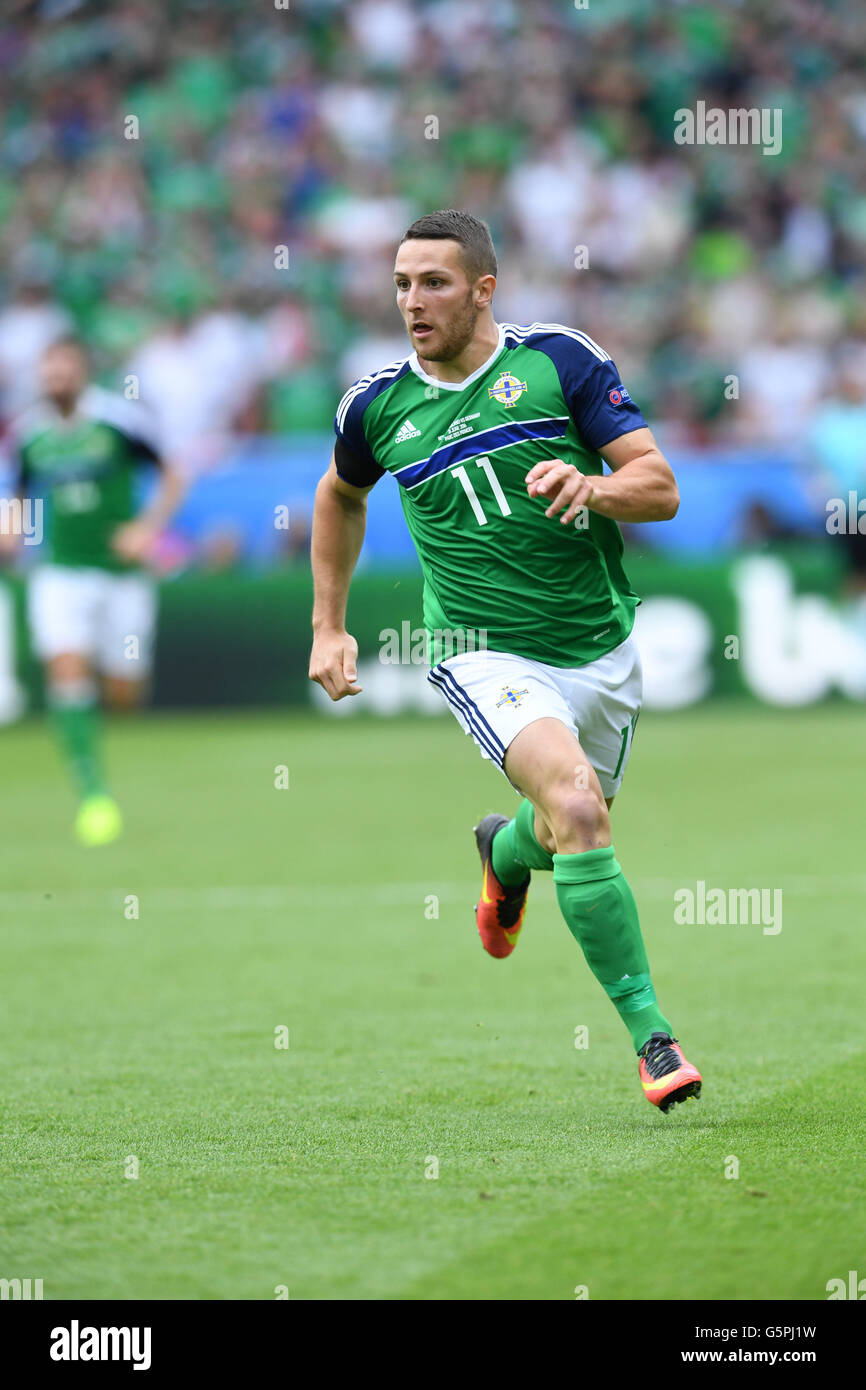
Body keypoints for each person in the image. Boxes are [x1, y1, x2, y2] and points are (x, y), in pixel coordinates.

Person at [308, 210, 701, 1112]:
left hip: (599, 646)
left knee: (567, 826)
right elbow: (338, 497)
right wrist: (329, 624)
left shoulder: (558, 360)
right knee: (577, 807)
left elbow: (662, 487)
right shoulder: (375, 407)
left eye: (435, 282)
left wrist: (592, 485)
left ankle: (505, 853)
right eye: (403, 283)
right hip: (482, 650)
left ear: (484, 288)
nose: (414, 301)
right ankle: (654, 1041)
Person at [3, 337, 184, 845]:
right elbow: (18, 493)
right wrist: (13, 529)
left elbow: (174, 474)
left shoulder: (118, 421)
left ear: (83, 372)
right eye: (48, 370)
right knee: (66, 667)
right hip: (60, 573)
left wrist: (147, 529)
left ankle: (96, 737)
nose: (55, 378)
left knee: (123, 693)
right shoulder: (28, 433)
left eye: (64, 369)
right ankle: (92, 792)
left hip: (122, 577)